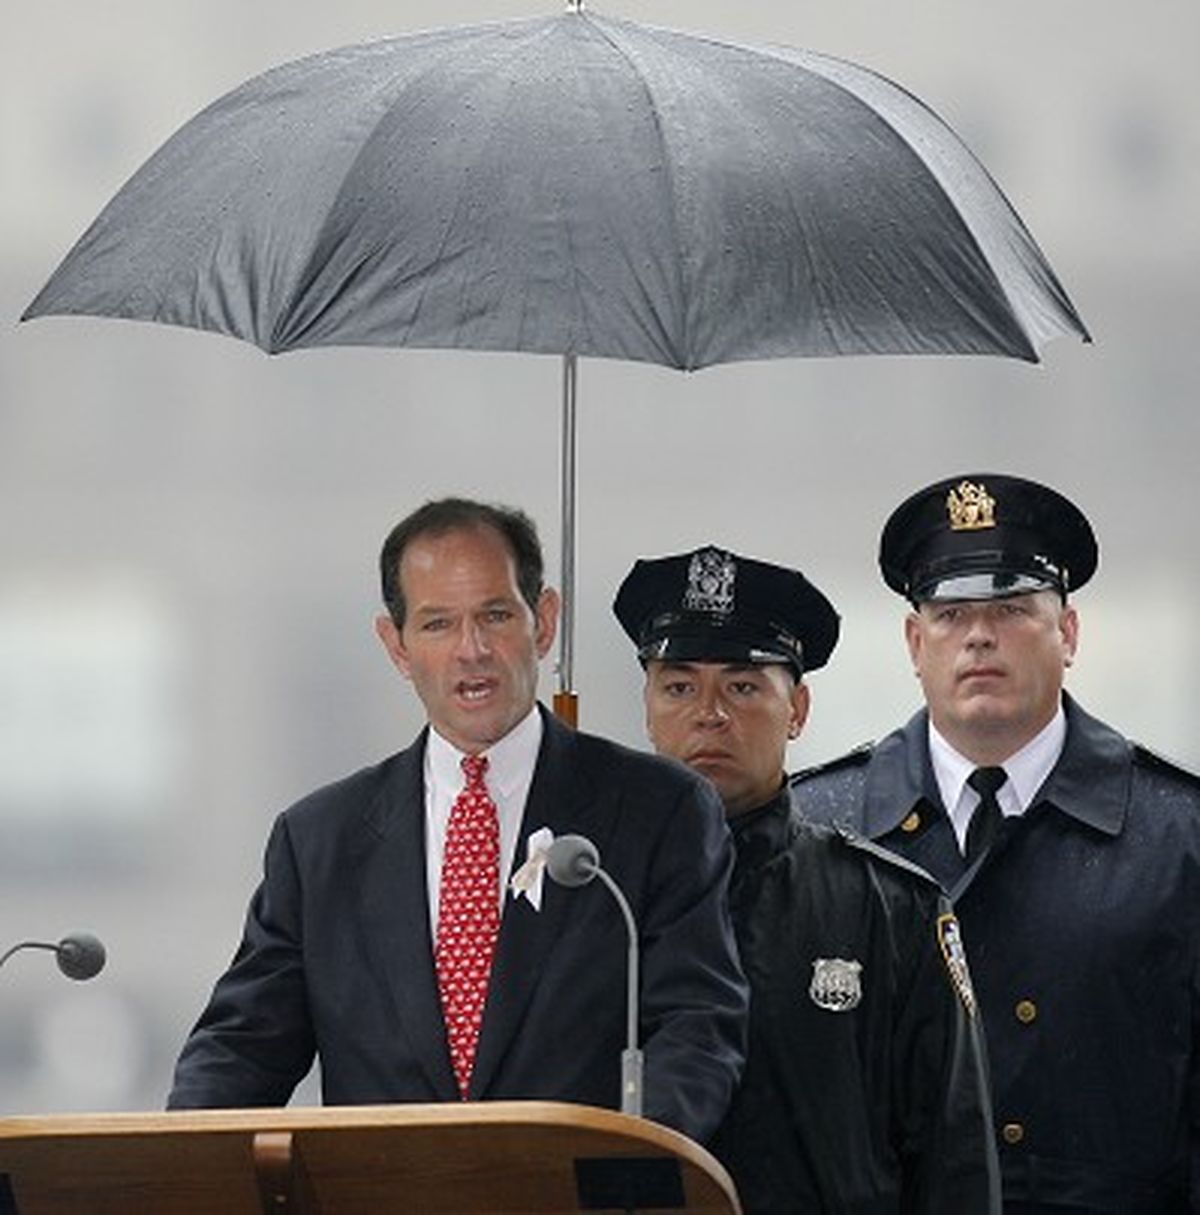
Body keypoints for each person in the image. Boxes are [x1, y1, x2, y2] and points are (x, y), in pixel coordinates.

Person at [168, 498, 748, 1144]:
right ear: (397, 645)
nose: (472, 650)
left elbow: (697, 1028)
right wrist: (174, 1169)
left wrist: (632, 1167)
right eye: (439, 624)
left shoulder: (658, 810)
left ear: (544, 621)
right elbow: (242, 1048)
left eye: (495, 616)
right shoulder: (319, 842)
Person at [795, 473, 1200, 1213]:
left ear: (1068, 633)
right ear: (915, 642)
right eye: (950, 614)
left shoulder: (1177, 835)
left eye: (1011, 607)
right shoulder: (819, 825)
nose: (980, 634)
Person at [613, 544, 1000, 1214]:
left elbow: (954, 1154)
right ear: (647, 708)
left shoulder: (892, 908)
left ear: (797, 709)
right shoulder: (592, 897)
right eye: (679, 686)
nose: (710, 713)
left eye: (742, 685)